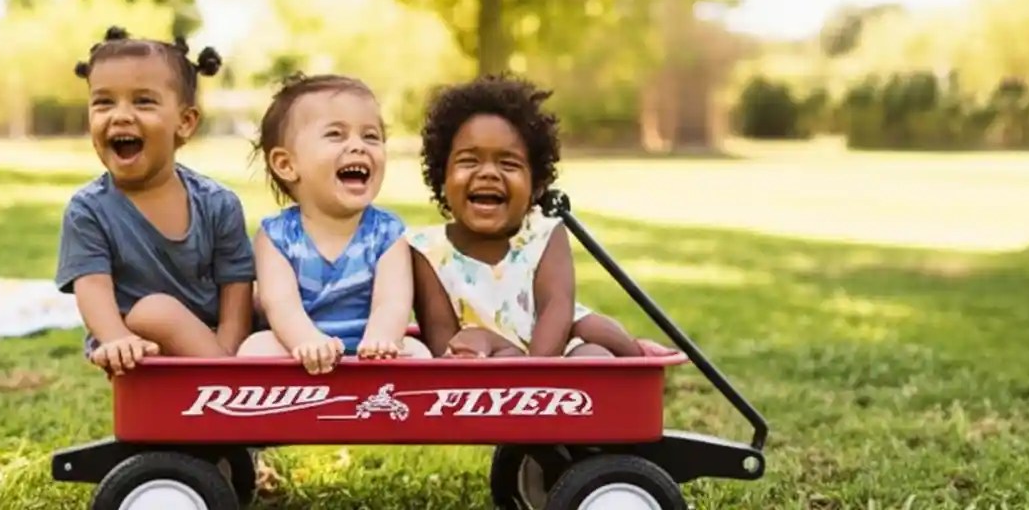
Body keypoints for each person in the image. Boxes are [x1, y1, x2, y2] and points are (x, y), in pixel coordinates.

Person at [407, 74, 673, 359]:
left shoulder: (543, 231)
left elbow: (557, 306)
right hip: (481, 364)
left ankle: (638, 364)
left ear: (536, 184)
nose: (487, 173)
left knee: (595, 341)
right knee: (486, 348)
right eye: (469, 161)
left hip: (554, 352)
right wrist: (495, 351)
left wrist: (534, 372)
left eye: (508, 163)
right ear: (441, 176)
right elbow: (442, 342)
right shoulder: (426, 250)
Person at [55, 26, 255, 376]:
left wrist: (227, 348)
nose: (120, 115)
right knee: (154, 311)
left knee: (271, 300)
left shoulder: (218, 203)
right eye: (104, 102)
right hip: (143, 349)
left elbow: (236, 288)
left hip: (215, 342)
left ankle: (227, 377)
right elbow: (93, 287)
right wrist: (116, 338)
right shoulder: (89, 210)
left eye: (143, 101)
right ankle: (232, 386)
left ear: (185, 122)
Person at [237, 73, 431, 374]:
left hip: (370, 347)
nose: (359, 147)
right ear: (287, 165)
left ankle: (393, 413)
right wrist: (307, 341)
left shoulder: (387, 233)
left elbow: (392, 302)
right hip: (300, 345)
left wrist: (382, 339)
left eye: (371, 136)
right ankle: (279, 416)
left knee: (419, 352)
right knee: (255, 349)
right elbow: (280, 303)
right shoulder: (275, 237)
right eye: (336, 135)